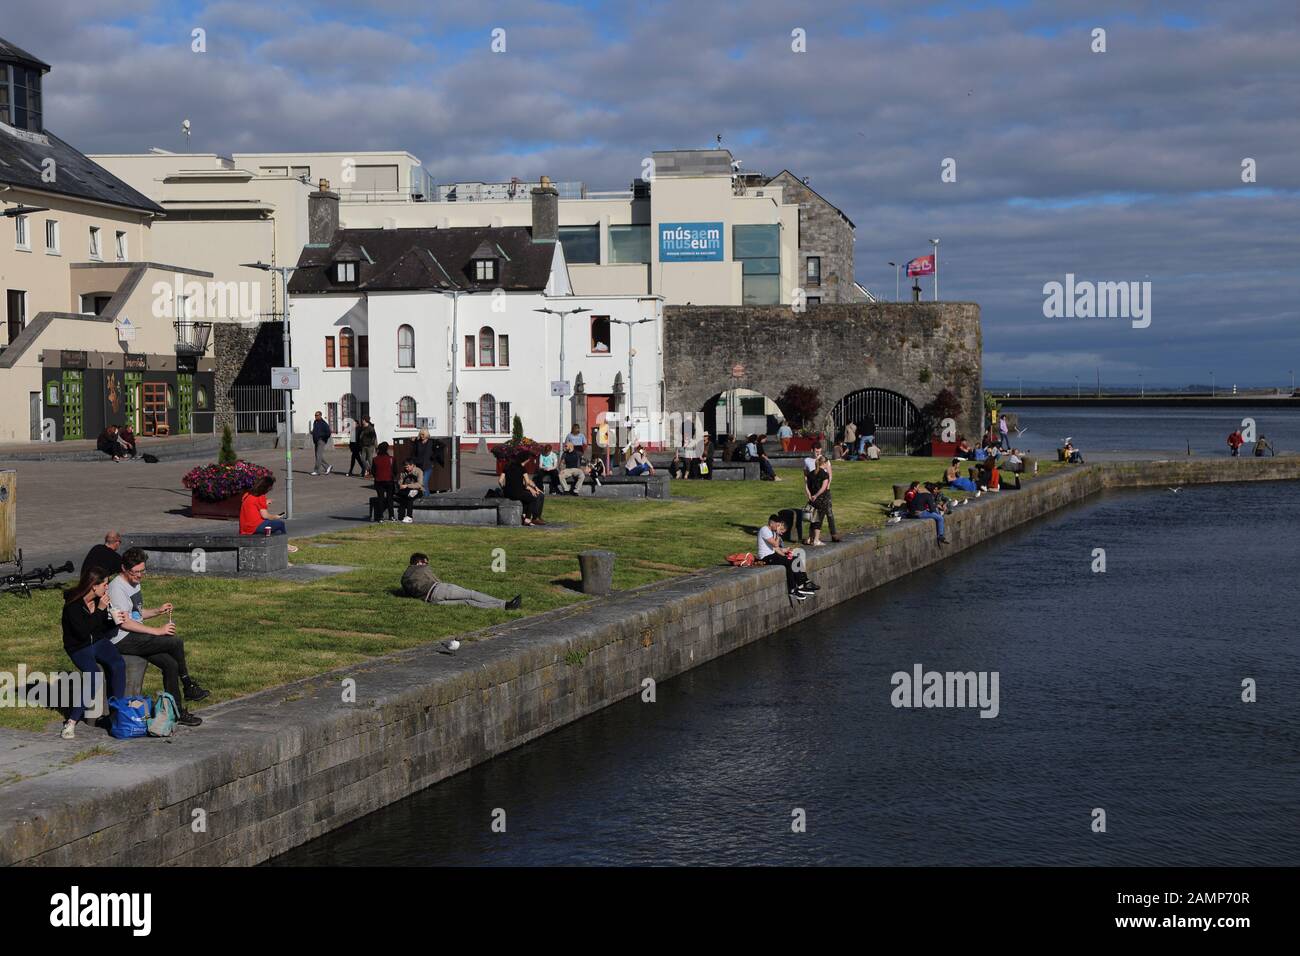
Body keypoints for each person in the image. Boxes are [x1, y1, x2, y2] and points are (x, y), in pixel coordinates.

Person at [108, 548, 207, 726]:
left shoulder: (134, 582)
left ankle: (177, 712)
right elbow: (124, 623)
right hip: (123, 639)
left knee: (171, 664)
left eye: (142, 571)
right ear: (124, 568)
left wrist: (157, 611)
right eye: (136, 572)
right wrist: (158, 631)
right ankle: (188, 685)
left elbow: (137, 614)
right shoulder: (117, 588)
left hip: (136, 634)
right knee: (174, 641)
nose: (139, 576)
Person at [59, 566, 127, 739]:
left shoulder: (98, 601)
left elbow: (99, 628)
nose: (107, 588)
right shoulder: (72, 607)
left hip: (97, 642)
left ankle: (116, 714)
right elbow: (83, 633)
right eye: (105, 584)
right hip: (79, 647)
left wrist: (115, 621)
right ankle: (72, 721)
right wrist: (100, 610)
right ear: (93, 586)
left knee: (118, 664)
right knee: (94, 675)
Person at [401, 553, 523, 610]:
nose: (427, 565)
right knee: (472, 594)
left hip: (431, 601)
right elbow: (436, 580)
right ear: (418, 562)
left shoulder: (405, 577)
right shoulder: (422, 569)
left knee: (467, 602)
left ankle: (503, 607)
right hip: (440, 589)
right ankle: (505, 604)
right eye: (425, 562)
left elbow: (409, 593)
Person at [757, 514, 817, 600]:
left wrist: (785, 553)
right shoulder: (764, 530)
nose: (778, 527)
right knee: (789, 562)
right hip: (765, 558)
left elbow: (776, 548)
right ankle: (792, 589)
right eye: (777, 525)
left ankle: (804, 583)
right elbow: (775, 544)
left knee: (795, 559)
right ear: (771, 523)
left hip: (772, 555)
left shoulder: (772, 532)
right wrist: (778, 534)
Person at [239, 475, 297, 550]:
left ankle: (279, 544)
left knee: (275, 528)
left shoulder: (247, 495)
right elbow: (265, 516)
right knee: (280, 524)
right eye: (271, 488)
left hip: (244, 527)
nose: (271, 489)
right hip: (254, 527)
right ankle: (284, 545)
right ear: (267, 487)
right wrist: (275, 517)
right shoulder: (260, 497)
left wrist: (264, 502)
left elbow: (252, 505)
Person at [805, 453, 839, 545]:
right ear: (824, 463)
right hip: (821, 499)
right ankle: (816, 540)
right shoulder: (824, 474)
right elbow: (824, 488)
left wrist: (809, 495)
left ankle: (810, 538)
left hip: (812, 499)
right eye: (827, 463)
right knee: (819, 519)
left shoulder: (811, 473)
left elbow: (806, 486)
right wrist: (816, 495)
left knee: (813, 519)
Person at [499, 457, 545, 525]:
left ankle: (525, 515)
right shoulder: (521, 468)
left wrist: (504, 488)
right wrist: (528, 487)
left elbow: (500, 481)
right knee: (533, 498)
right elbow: (527, 481)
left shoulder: (507, 467)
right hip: (518, 492)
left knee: (527, 496)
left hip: (507, 493)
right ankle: (529, 518)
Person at [370, 442, 396, 521]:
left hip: (379, 481)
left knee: (380, 498)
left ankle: (380, 516)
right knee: (390, 499)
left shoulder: (375, 459)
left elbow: (373, 471)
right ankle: (391, 516)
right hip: (389, 480)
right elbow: (395, 470)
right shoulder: (392, 459)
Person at [408, 427, 439, 492]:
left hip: (428, 466)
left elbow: (437, 451)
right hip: (419, 466)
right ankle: (424, 497)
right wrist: (414, 462)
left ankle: (426, 498)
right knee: (420, 483)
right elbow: (413, 453)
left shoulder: (431, 442)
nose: (422, 436)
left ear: (426, 434)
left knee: (424, 482)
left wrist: (433, 460)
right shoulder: (417, 442)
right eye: (421, 434)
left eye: (423, 434)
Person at [309, 411, 333, 476]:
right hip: (316, 441)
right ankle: (328, 466)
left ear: (320, 416)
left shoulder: (324, 424)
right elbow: (316, 430)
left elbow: (328, 433)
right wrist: (313, 432)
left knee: (318, 455)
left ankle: (316, 471)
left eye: (317, 415)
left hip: (321, 441)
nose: (315, 416)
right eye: (315, 415)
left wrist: (322, 437)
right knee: (318, 456)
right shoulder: (315, 422)